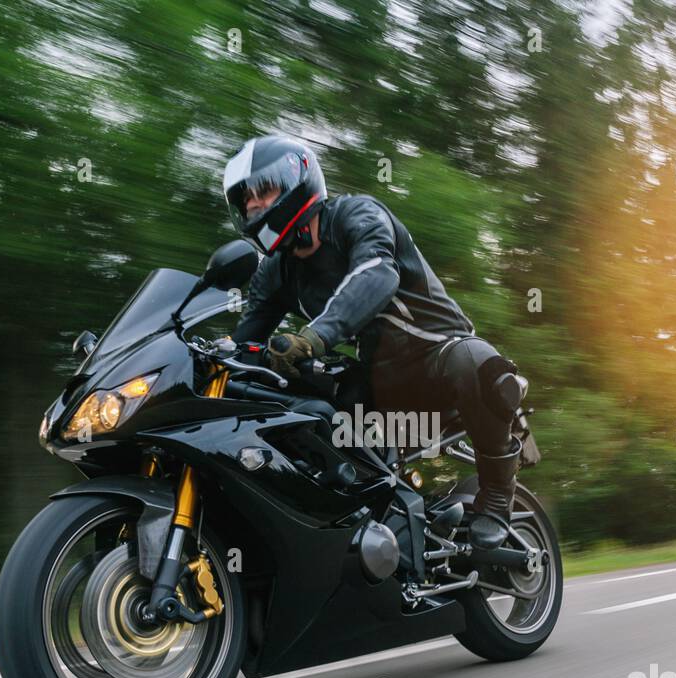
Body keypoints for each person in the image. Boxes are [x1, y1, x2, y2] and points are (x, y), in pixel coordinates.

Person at [222, 134, 526, 549]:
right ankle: (364, 522)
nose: (254, 205)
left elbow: (376, 275)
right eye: (245, 200)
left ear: (300, 180)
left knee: (475, 361)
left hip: (438, 360)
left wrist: (312, 339)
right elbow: (247, 341)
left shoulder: (356, 215)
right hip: (380, 385)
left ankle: (495, 498)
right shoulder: (275, 270)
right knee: (303, 407)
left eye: (263, 191)